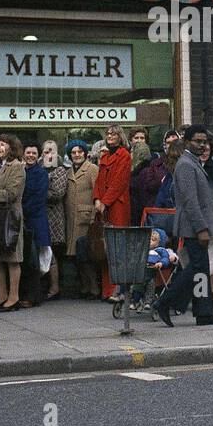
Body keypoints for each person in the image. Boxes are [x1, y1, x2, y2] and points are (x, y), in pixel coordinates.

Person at [151, 125, 213, 326]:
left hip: (199, 226)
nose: (202, 145)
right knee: (196, 269)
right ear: (187, 142)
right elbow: (190, 201)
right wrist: (201, 228)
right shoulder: (185, 164)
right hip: (194, 227)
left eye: (204, 141)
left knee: (201, 270)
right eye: (197, 141)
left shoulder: (194, 162)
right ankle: (164, 302)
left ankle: (204, 313)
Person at [0, 134, 26, 311]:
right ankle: (2, 295)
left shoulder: (17, 167)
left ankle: (13, 297)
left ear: (11, 147)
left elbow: (12, 194)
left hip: (11, 218)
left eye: (3, 145)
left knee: (12, 258)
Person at [93, 125, 131, 300]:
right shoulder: (105, 155)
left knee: (117, 248)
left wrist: (105, 201)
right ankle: (107, 290)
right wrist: (97, 199)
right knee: (105, 249)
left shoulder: (123, 154)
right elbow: (100, 180)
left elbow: (119, 182)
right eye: (108, 134)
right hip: (104, 206)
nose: (110, 136)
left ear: (120, 136)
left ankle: (118, 290)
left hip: (117, 206)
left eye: (113, 134)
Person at [65, 139, 100, 299]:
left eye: (79, 152)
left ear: (85, 153)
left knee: (87, 256)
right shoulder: (68, 171)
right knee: (77, 257)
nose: (77, 155)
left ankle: (93, 289)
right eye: (73, 152)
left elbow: (97, 192)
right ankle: (85, 287)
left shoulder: (92, 169)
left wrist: (94, 216)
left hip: (86, 219)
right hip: (72, 219)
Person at [20, 142, 51, 308]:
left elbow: (39, 198)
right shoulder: (20, 171)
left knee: (34, 261)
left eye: (34, 153)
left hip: (35, 221)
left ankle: (34, 296)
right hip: (22, 221)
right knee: (25, 260)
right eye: (28, 152)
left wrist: (22, 211)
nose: (30, 155)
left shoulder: (41, 173)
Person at [42, 140, 69, 299]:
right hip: (40, 214)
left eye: (51, 151)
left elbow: (57, 193)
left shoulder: (60, 170)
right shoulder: (38, 168)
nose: (49, 154)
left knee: (51, 252)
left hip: (53, 217)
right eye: (46, 151)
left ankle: (54, 287)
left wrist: (38, 190)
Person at [130, 129, 167, 225]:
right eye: (136, 138)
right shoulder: (127, 162)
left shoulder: (153, 163)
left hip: (144, 210)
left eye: (142, 138)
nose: (139, 140)